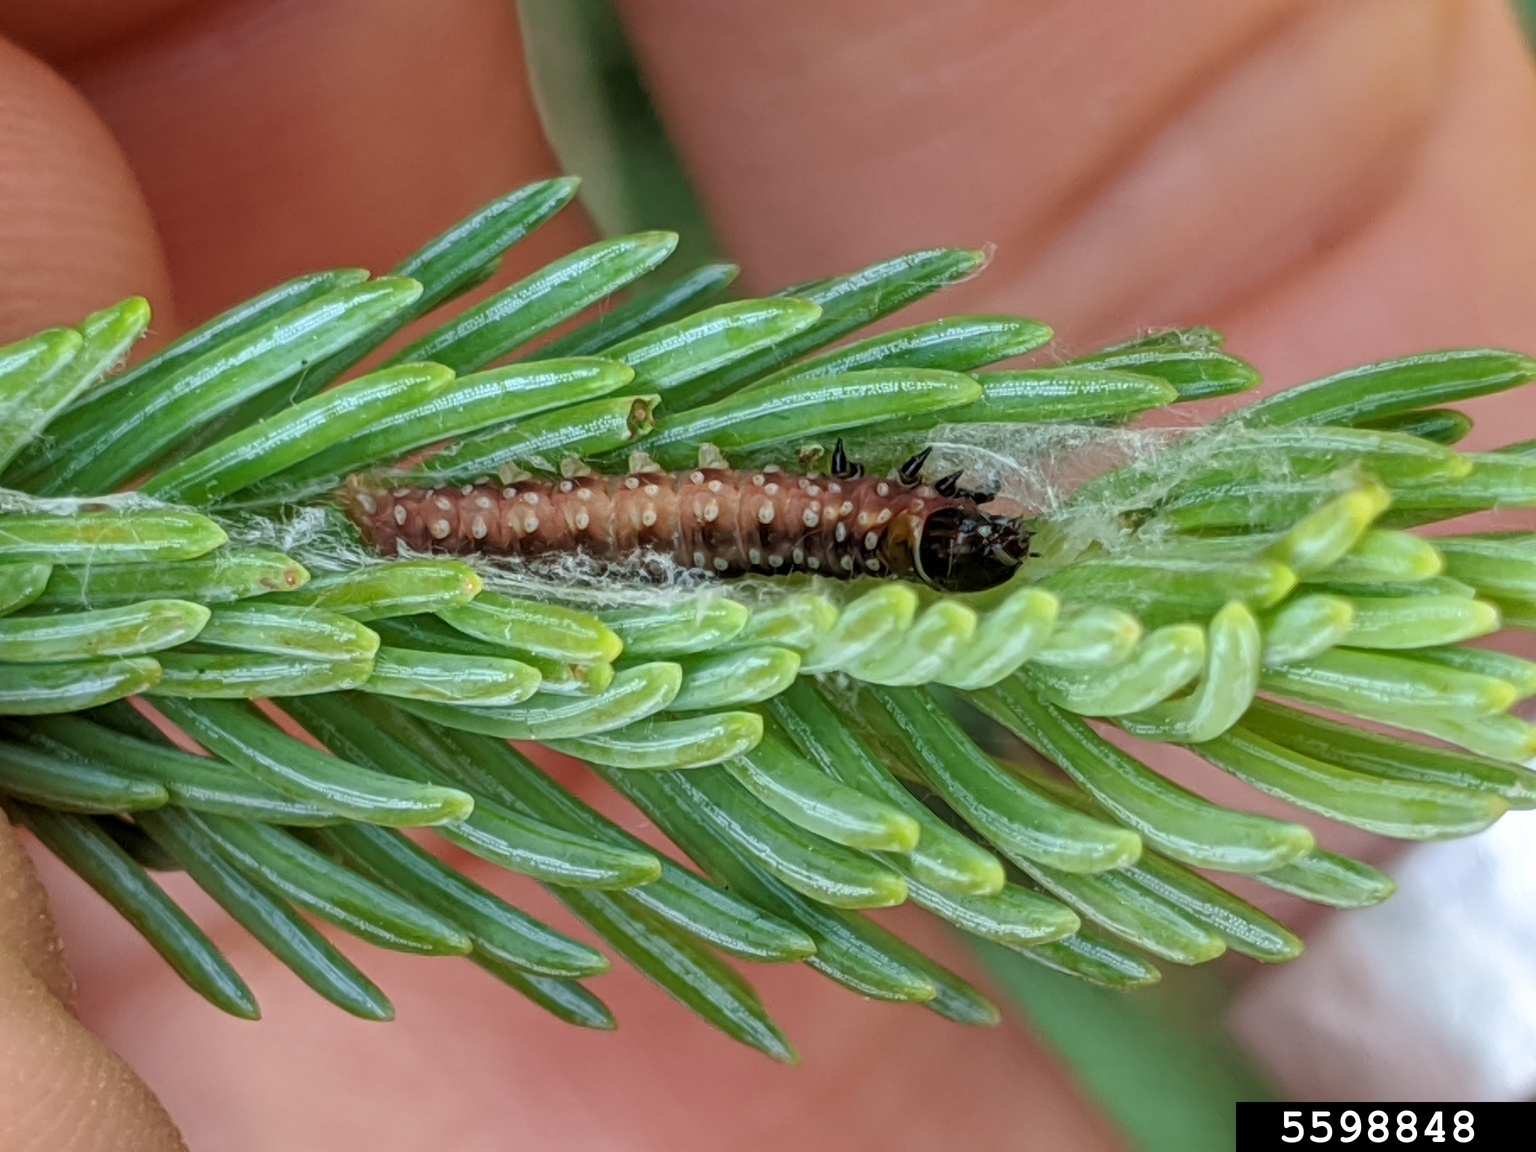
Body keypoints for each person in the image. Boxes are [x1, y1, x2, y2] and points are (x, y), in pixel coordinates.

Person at [3, 1, 1535, 1148]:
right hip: (481, 522)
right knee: (579, 521)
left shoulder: (849, 516)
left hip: (544, 521)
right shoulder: (830, 518)